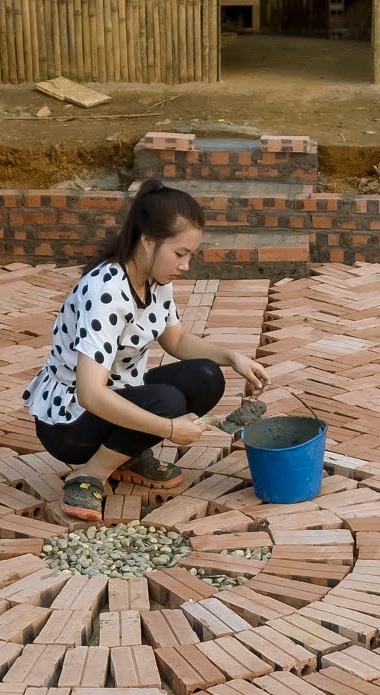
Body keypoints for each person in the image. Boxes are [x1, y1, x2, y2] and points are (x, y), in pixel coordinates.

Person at [22, 179, 270, 521]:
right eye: (179, 253)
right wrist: (168, 430)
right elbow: (90, 393)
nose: (185, 265)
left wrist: (233, 358)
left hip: (119, 396)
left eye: (190, 255)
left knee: (206, 376)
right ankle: (89, 474)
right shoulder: (105, 291)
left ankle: (128, 454)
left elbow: (177, 341)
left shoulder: (155, 280)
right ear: (148, 240)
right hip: (71, 423)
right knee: (166, 402)